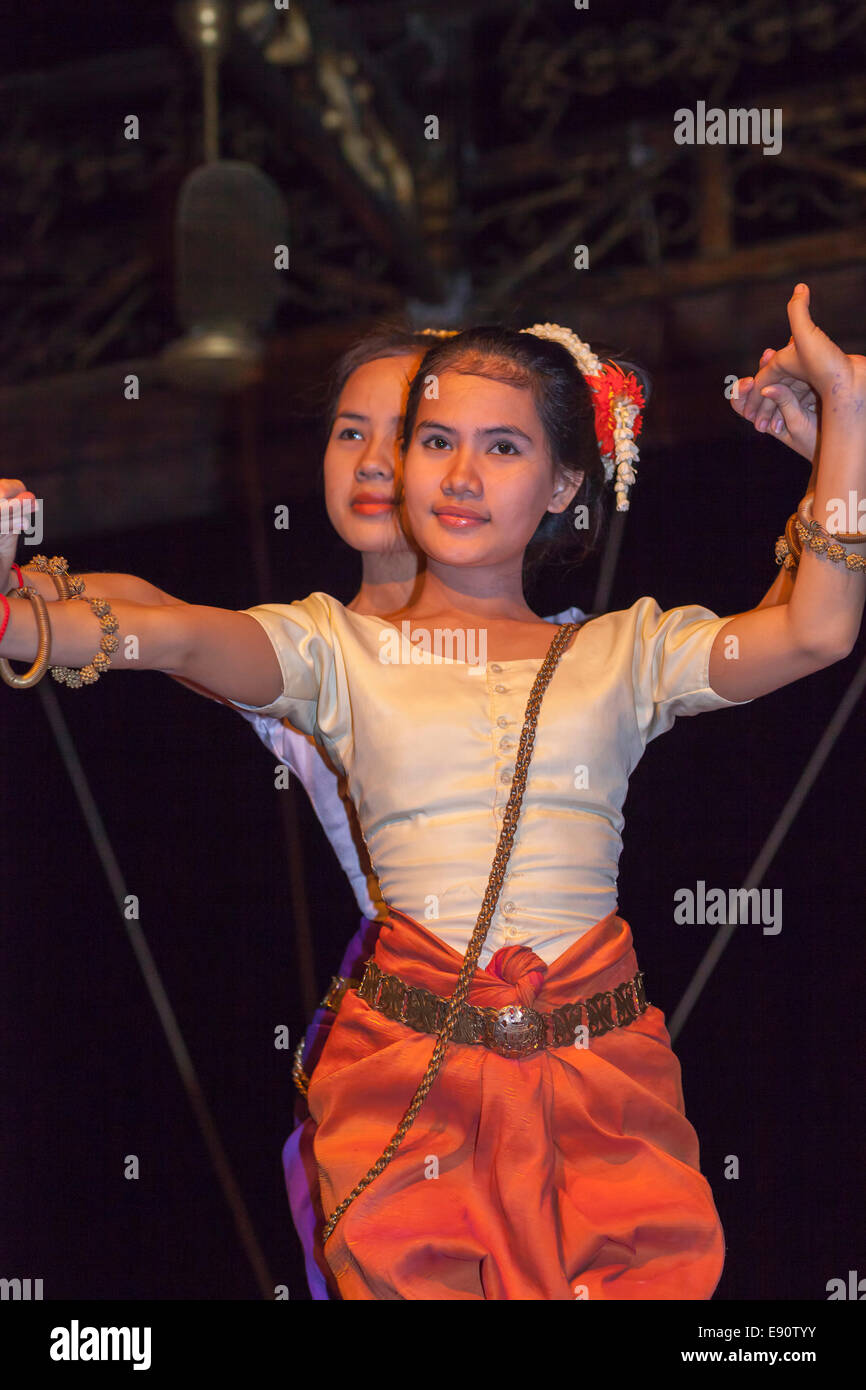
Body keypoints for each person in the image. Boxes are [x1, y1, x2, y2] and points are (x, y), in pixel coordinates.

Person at [3, 285, 859, 1298]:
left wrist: (844, 423)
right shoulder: (326, 646)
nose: (458, 476)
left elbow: (812, 629)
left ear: (561, 482)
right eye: (433, 442)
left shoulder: (620, 648)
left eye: (501, 448)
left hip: (600, 1084)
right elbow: (159, 631)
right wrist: (20, 614)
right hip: (410, 1077)